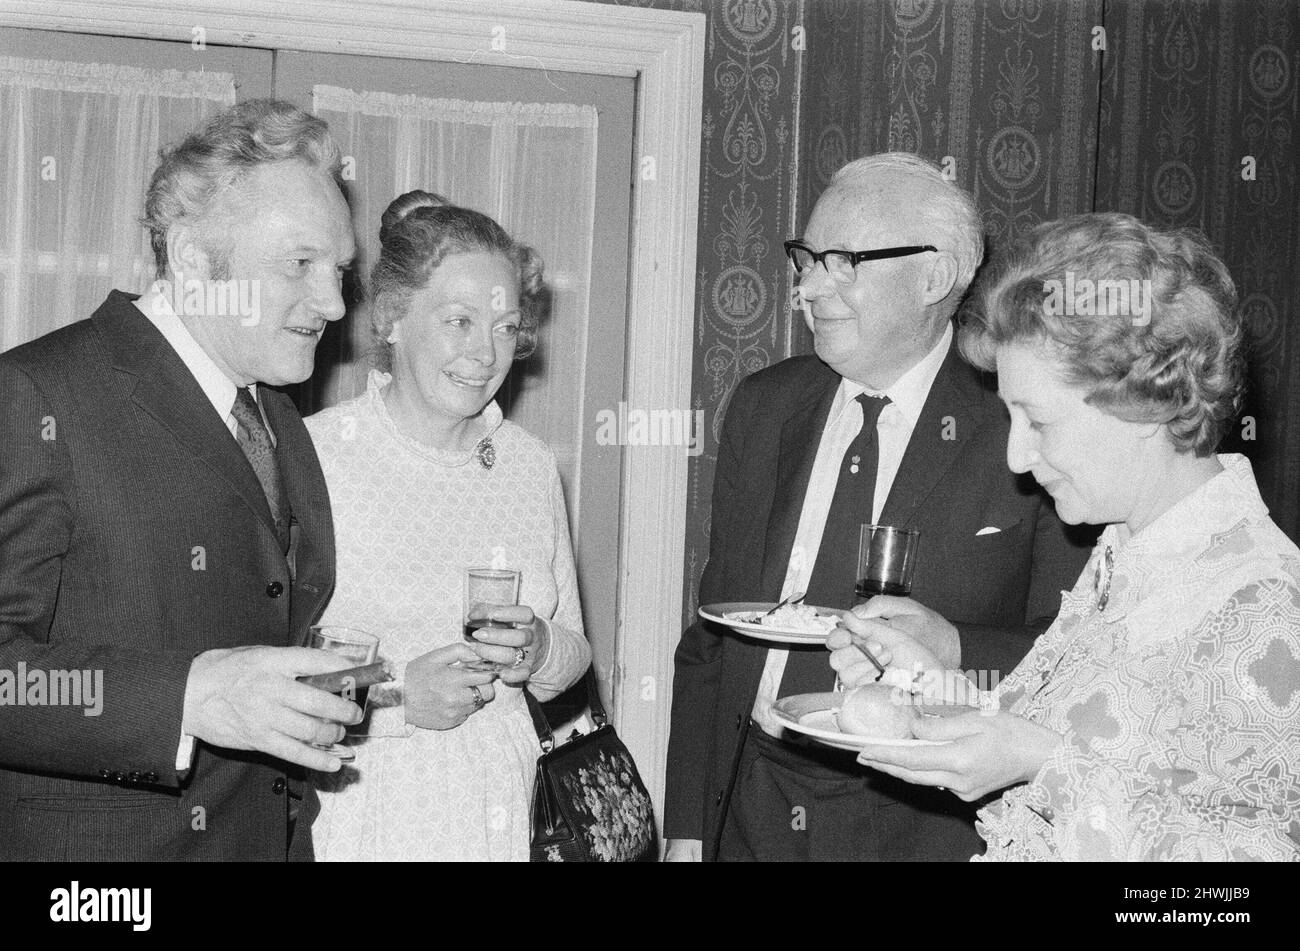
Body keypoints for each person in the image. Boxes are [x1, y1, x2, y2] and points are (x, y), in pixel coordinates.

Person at [664, 152, 1095, 862]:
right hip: (750, 803)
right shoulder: (765, 407)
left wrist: (953, 647)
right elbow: (714, 632)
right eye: (805, 260)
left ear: (934, 275)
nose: (808, 288)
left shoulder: (1022, 423)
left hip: (922, 824)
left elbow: (1076, 653)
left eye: (842, 261)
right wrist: (686, 830)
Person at [836, 212, 1300, 861]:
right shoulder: (1124, 553)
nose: (1016, 457)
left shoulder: (1261, 603)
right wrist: (931, 682)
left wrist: (1042, 763)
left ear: (1146, 401)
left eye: (1038, 420)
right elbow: (1042, 734)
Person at [0, 99, 363, 861]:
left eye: (339, 271)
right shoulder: (37, 394)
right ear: (195, 259)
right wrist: (190, 697)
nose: (334, 303)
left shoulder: (277, 416)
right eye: (301, 263)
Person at [306, 190, 591, 861]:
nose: (485, 354)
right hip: (367, 821)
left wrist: (539, 649)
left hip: (507, 819)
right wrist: (399, 697)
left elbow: (574, 657)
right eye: (459, 321)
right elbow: (262, 675)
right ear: (392, 317)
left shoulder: (528, 466)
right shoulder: (315, 457)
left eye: (503, 328)